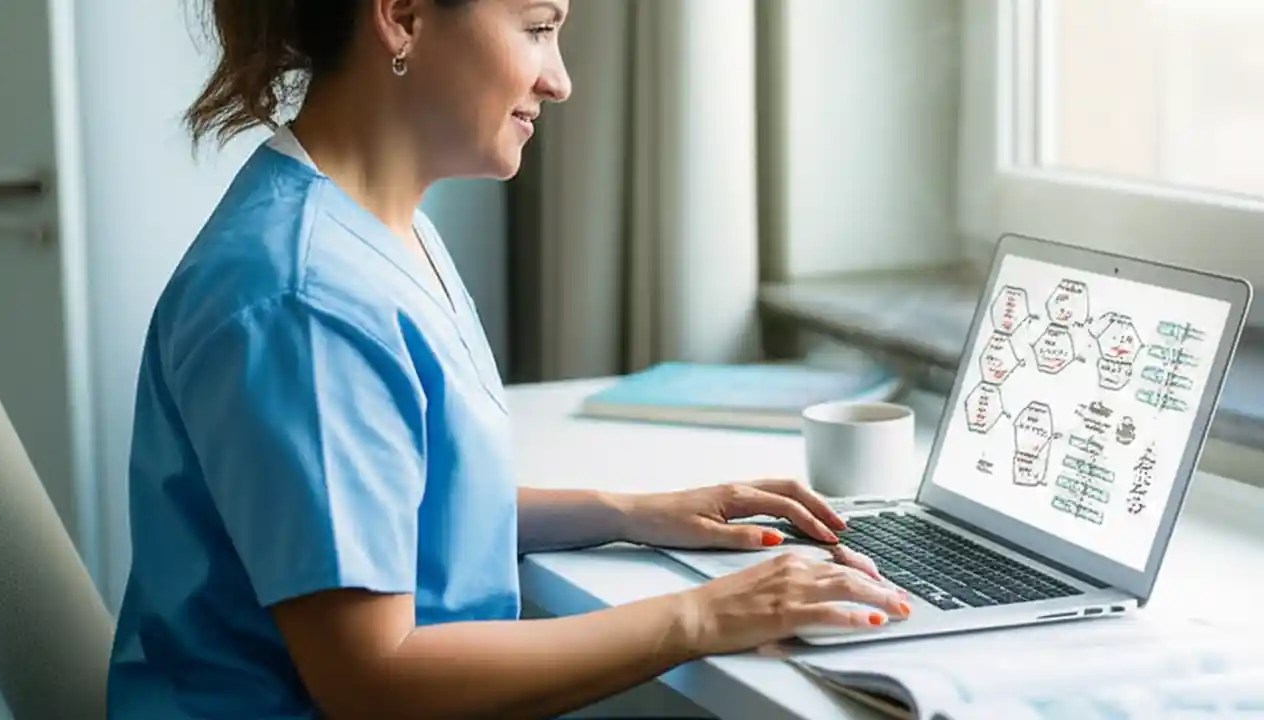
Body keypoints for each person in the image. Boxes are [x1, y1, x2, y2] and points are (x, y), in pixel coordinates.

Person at [106, 0, 912, 717]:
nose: (559, 81)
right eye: (537, 29)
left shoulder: (380, 227)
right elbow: (372, 681)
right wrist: (702, 616)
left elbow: (402, 504)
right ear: (403, 17)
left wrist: (627, 512)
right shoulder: (302, 297)